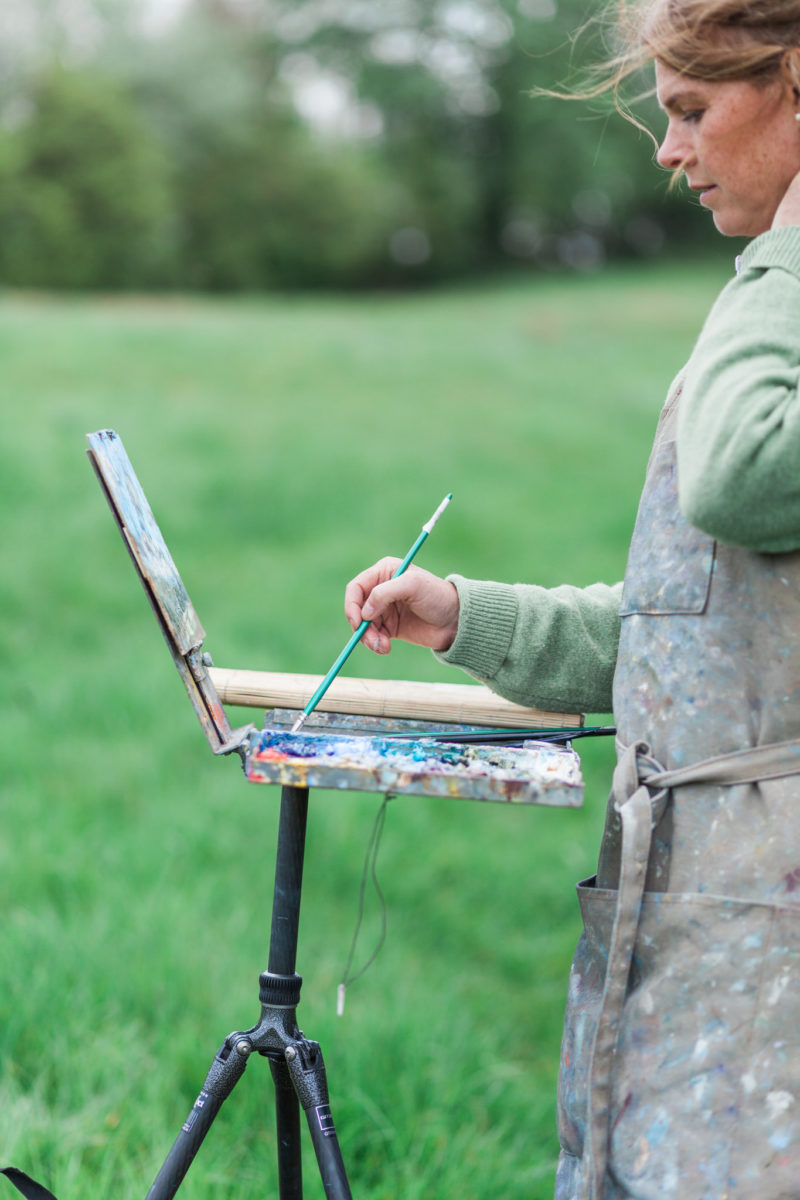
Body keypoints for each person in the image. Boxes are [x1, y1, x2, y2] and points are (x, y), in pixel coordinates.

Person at [344, 2, 800, 1196]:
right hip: (715, 895)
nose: (669, 150)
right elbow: (685, 631)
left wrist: (785, 249)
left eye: (692, 111)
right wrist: (463, 617)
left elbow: (740, 475)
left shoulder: (782, 291)